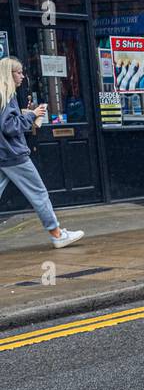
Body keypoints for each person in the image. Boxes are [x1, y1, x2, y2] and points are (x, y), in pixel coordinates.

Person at [0, 58, 83, 249]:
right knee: (39, 193)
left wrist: (23, 114)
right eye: (18, 72)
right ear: (8, 74)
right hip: (14, 156)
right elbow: (9, 127)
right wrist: (31, 114)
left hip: (4, 155)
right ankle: (57, 234)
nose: (22, 76)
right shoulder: (6, 96)